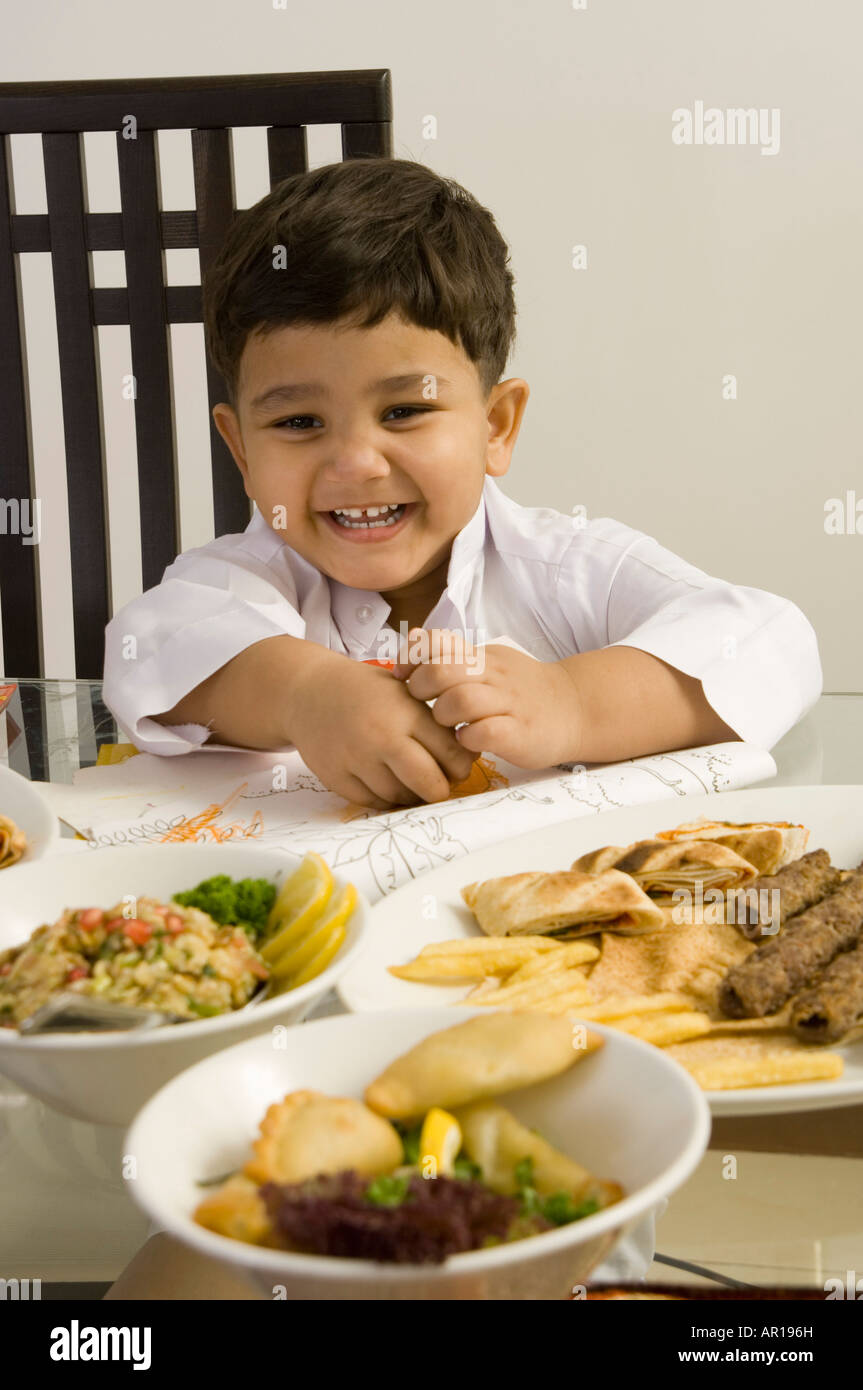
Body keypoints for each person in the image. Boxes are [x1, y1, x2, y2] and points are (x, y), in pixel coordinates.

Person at [103, 157, 822, 808]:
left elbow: (769, 640)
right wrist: (304, 694)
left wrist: (569, 704)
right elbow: (152, 647)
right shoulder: (245, 579)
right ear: (241, 451)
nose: (355, 462)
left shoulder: (564, 570)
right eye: (298, 423)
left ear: (495, 426)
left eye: (404, 411)